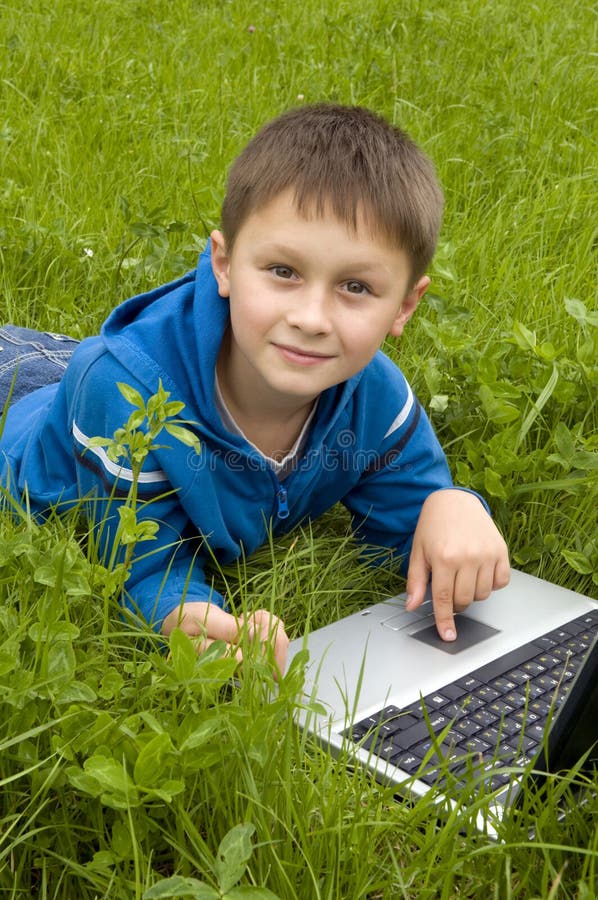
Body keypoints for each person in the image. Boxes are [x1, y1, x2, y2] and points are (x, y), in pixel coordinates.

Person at [0, 104, 509, 673]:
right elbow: (140, 566)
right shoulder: (126, 401)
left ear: (405, 306)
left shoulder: (376, 400)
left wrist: (451, 506)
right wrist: (185, 616)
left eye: (356, 286)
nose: (312, 318)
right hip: (35, 413)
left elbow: (410, 531)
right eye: (283, 272)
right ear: (223, 264)